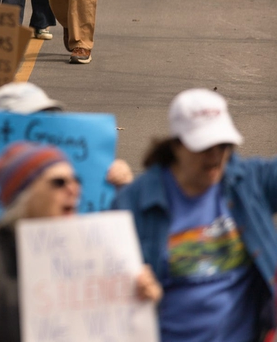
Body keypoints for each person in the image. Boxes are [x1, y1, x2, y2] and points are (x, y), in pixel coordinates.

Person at [0, 142, 161, 342]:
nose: (73, 189)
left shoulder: (96, 253)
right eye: (59, 182)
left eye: (75, 180)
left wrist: (139, 300)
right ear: (26, 194)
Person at [116, 88, 277, 342]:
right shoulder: (134, 202)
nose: (215, 155)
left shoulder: (248, 181)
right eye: (204, 146)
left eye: (223, 145)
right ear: (177, 145)